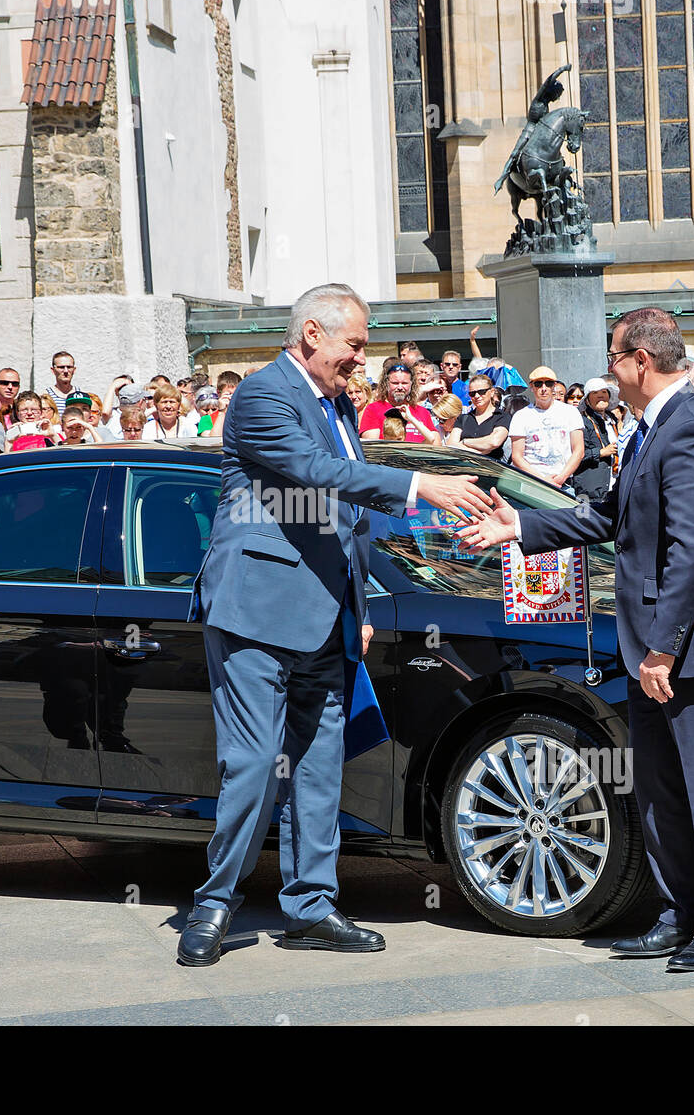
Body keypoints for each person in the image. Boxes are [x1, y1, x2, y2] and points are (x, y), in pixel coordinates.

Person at [176, 283, 492, 967]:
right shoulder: (262, 395)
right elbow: (314, 473)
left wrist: (361, 606)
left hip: (328, 616)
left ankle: (312, 907)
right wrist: (416, 485)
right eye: (354, 344)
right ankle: (215, 902)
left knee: (319, 766)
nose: (361, 358)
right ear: (311, 333)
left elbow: (346, 521)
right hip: (257, 614)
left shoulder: (338, 401)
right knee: (254, 764)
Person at [459, 306, 694, 977]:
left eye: (614, 357)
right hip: (648, 645)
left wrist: (666, 646)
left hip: (682, 651)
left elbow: (691, 552)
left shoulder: (690, 425)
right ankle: (677, 914)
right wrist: (520, 528)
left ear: (642, 360)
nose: (610, 371)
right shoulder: (652, 427)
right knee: (659, 788)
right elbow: (612, 514)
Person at [507, 366, 584, 489]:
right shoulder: (521, 416)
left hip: (563, 484)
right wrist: (542, 480)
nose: (544, 388)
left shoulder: (570, 412)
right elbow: (517, 457)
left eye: (548, 383)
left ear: (554, 386)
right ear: (531, 386)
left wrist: (561, 478)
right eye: (538, 384)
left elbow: (579, 451)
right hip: (532, 484)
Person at [359, 362, 440, 443]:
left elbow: (435, 442)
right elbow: (372, 445)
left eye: (404, 383)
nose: (400, 387)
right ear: (386, 383)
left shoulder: (423, 412)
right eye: (395, 383)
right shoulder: (373, 409)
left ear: (411, 384)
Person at [571, 376, 618, 499]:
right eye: (595, 393)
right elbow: (575, 454)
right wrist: (600, 452)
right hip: (591, 492)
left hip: (612, 486)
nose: (600, 395)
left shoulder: (613, 420)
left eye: (604, 392)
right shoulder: (582, 422)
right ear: (587, 400)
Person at [448, 375, 510, 457]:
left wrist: (465, 442)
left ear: (492, 392)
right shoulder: (463, 418)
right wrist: (478, 453)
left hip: (490, 464)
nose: (476, 396)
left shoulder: (502, 417)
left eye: (481, 392)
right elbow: (451, 445)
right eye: (472, 393)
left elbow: (494, 441)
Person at [42, 350, 78, 418]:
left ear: (74, 370)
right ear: (53, 370)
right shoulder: (46, 396)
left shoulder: (80, 395)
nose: (66, 371)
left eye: (69, 367)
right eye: (61, 367)